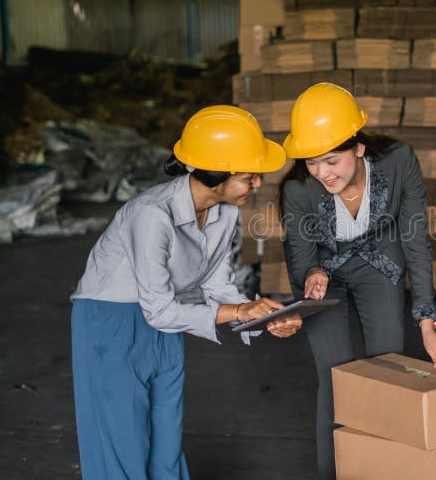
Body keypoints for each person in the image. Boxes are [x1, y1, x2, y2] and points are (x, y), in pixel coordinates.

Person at [70, 105, 301, 479]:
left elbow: (217, 285)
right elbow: (158, 310)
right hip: (110, 324)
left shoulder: (225, 212)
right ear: (215, 176)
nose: (257, 184)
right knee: (122, 446)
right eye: (249, 176)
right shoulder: (152, 215)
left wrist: (263, 314)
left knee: (165, 445)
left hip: (167, 322)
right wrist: (240, 313)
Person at [279, 83, 436, 478]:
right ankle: (334, 473)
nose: (322, 173)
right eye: (311, 162)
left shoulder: (398, 162)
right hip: (324, 274)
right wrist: (311, 274)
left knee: (387, 369)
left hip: (380, 263)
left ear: (358, 147)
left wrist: (427, 326)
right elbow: (300, 255)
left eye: (331, 161)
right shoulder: (297, 188)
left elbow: (415, 241)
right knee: (335, 375)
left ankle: (382, 468)